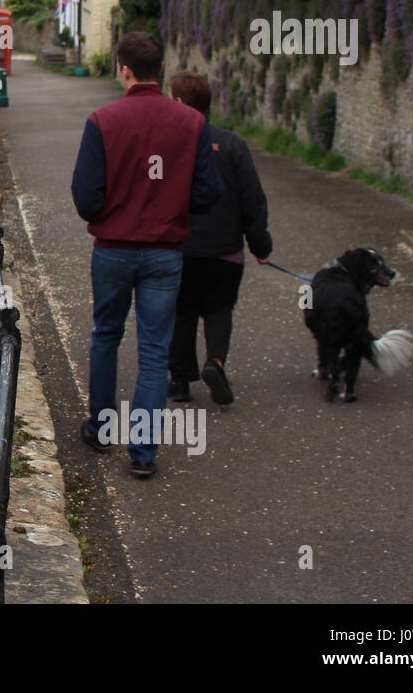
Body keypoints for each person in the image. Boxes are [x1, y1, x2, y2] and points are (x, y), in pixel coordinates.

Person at [71, 33, 224, 478]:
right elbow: (209, 191)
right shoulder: (192, 122)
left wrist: (116, 210)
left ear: (124, 69)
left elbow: (86, 197)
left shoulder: (102, 120)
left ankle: (101, 429)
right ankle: (143, 452)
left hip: (114, 250)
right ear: (161, 68)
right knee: (155, 352)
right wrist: (171, 206)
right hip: (164, 251)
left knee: (106, 335)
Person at [165, 70, 272, 406]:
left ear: (179, 102)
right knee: (219, 308)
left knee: (181, 310)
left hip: (178, 246)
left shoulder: (166, 145)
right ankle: (215, 362)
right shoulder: (232, 145)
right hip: (225, 249)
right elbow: (252, 199)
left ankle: (179, 380)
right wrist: (260, 245)